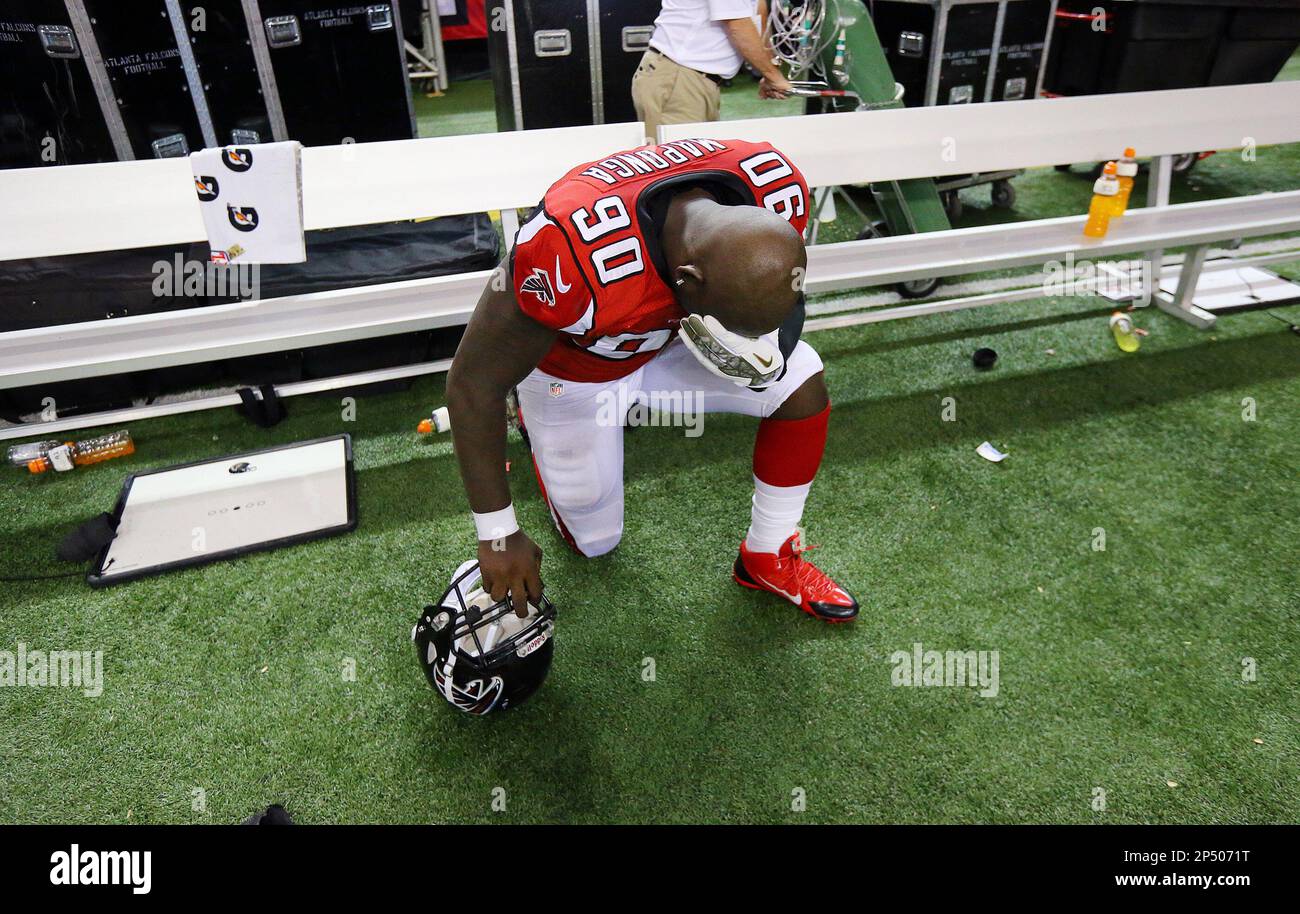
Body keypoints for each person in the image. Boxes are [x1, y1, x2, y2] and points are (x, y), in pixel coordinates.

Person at [446, 137, 859, 624]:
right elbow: (471, 385)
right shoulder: (571, 251)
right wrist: (498, 531)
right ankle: (533, 418)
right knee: (596, 542)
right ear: (688, 280)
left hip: (668, 342)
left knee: (799, 380)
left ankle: (767, 555)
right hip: (578, 374)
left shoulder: (772, 190)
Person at [631, 1, 793, 142]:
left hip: (694, 80)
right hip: (678, 79)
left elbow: (758, 17)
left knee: (697, 166)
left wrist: (770, 70)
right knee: (677, 170)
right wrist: (774, 77)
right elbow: (737, 25)